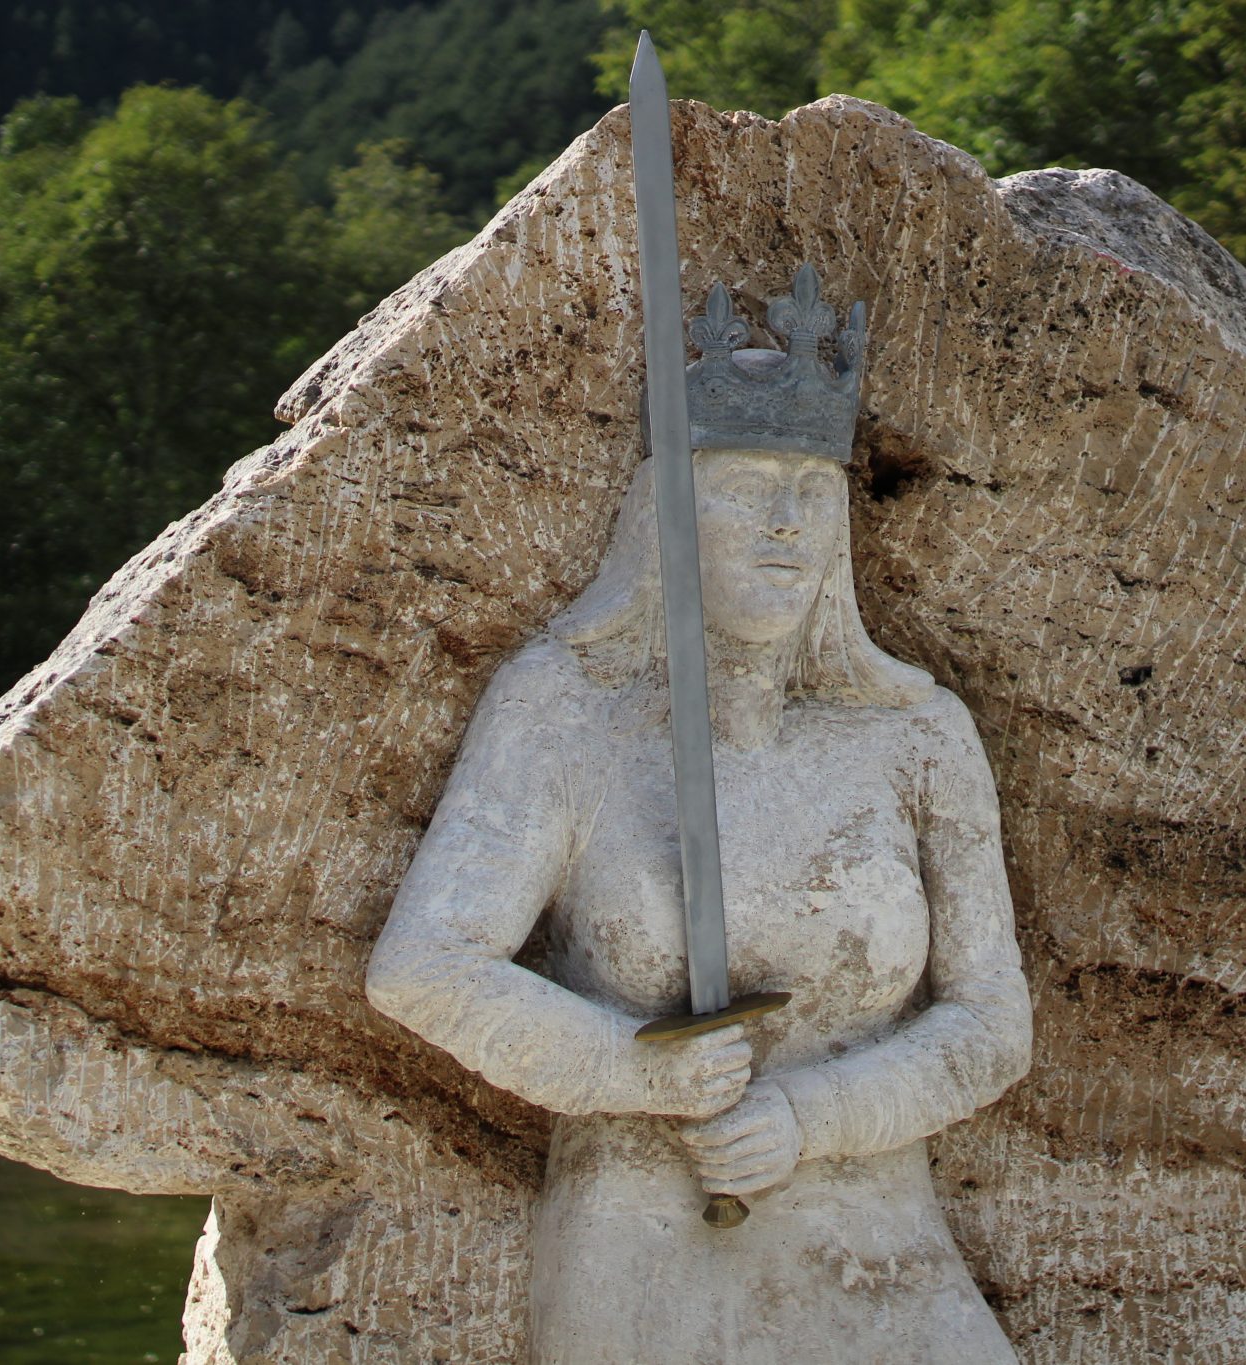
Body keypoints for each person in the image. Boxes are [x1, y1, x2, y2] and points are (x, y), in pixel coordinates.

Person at [366, 270, 1031, 1363]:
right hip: (648, 1238)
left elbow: (992, 1022)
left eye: (808, 495)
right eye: (742, 488)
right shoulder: (564, 711)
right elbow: (426, 964)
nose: (783, 528)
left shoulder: (915, 734)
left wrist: (814, 1118)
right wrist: (630, 1071)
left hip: (876, 1234)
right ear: (666, 516)